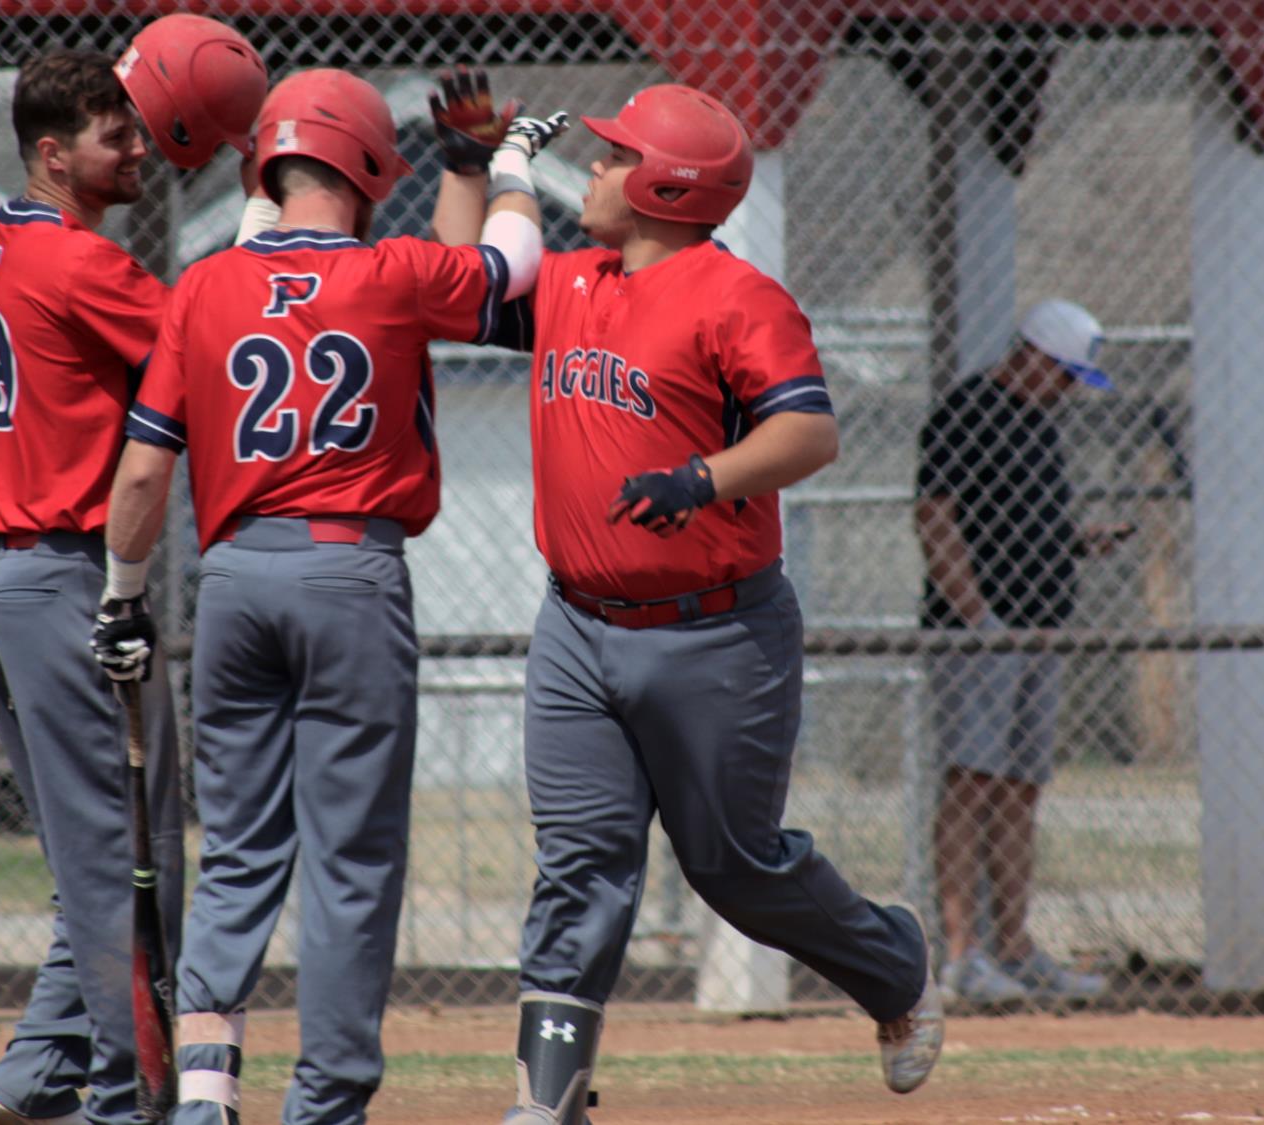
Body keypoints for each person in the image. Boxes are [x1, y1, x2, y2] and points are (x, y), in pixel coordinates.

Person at [439, 84, 943, 1124]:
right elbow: (460, 285)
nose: (593, 169)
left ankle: (891, 969)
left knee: (733, 868)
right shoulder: (570, 280)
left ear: (666, 186)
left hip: (713, 633)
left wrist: (701, 478)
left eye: (614, 158)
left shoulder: (735, 297)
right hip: (577, 629)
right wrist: (465, 164)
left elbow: (808, 434)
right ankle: (548, 1101)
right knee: (579, 864)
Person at [89, 68, 566, 1125]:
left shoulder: (202, 288)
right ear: (359, 168)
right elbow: (502, 265)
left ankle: (205, 1091)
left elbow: (139, 477)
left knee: (242, 844)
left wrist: (124, 597)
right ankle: (327, 1099)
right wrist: (510, 166)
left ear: (265, 167)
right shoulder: (387, 273)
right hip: (350, 572)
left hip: (236, 579)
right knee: (351, 855)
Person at [0, 24, 264, 1124]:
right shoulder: (78, 259)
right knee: (127, 861)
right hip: (66, 582)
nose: (134, 154)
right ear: (50, 155)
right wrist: (269, 207)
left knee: (94, 858)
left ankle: (33, 1078)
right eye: (112, 138)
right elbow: (208, 347)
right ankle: (125, 1101)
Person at [912, 298, 1128, 1007]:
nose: (1067, 392)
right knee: (973, 778)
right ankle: (963, 955)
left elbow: (1017, 520)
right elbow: (934, 515)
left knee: (1019, 787)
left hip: (1039, 627)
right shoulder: (970, 410)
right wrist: (978, 616)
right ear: (1033, 355)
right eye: (1064, 376)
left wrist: (1073, 539)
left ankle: (1014, 946)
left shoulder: (1039, 421)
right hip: (984, 630)